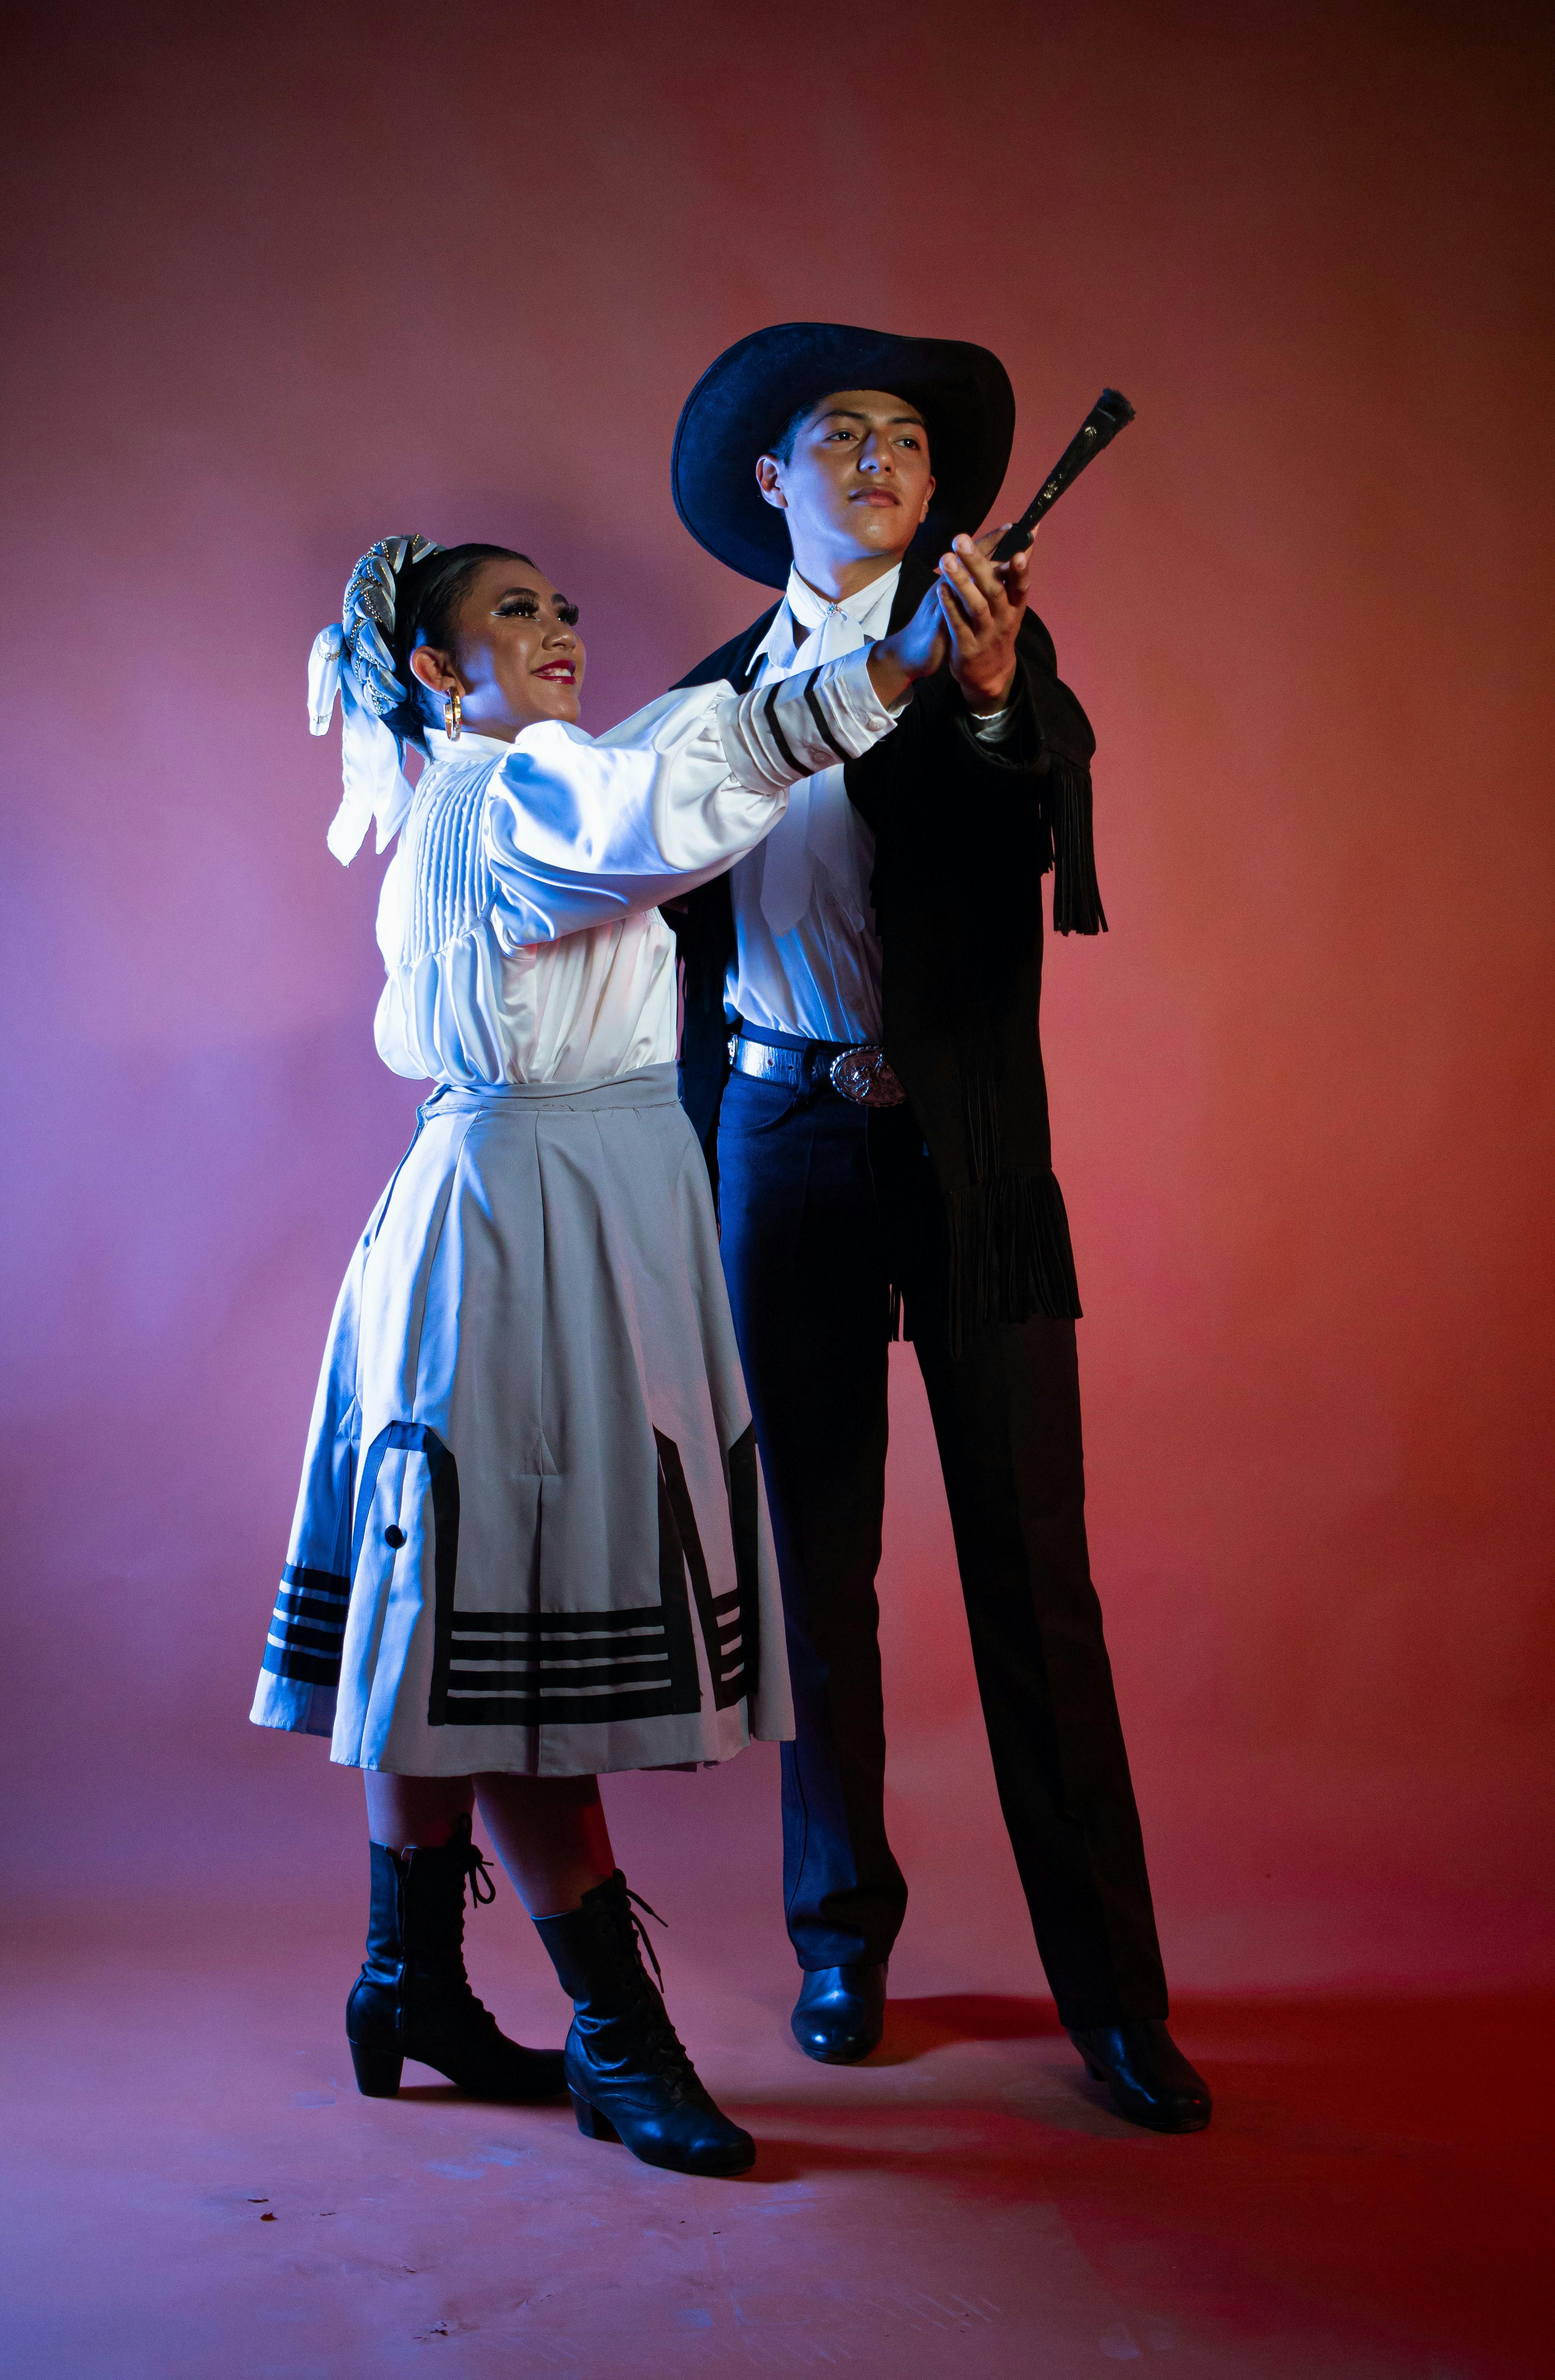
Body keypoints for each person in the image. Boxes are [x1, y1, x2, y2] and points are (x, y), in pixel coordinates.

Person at [251, 530, 948, 2175]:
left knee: (451, 1621)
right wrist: (881, 671)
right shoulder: (515, 792)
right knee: (509, 1643)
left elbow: (655, 768)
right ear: (439, 669)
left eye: (561, 608)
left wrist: (855, 676)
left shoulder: (490, 785)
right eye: (515, 612)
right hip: (526, 1225)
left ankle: (409, 1983)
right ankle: (618, 2039)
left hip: (528, 1199)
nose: (559, 627)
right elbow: (666, 800)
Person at [665, 323, 1212, 2133]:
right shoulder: (703, 702)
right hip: (775, 1145)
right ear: (773, 481)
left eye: (905, 435)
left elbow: (1030, 818)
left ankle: (1114, 2001)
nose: (883, 457)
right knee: (812, 1578)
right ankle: (839, 1944)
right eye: (842, 432)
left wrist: (977, 700)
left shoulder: (987, 645)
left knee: (1033, 1580)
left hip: (967, 1152)